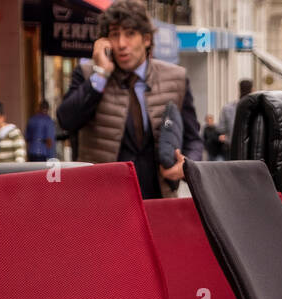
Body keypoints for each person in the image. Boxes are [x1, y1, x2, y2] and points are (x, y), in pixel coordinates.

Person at [56, 0, 203, 199]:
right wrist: (100, 74)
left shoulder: (176, 78)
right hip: (103, 199)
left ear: (147, 39)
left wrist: (187, 165)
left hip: (158, 199)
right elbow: (66, 120)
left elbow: (193, 139)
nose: (121, 44)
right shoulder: (88, 73)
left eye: (130, 34)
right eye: (115, 35)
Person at [219, 78, 252, 152]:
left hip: (233, 148)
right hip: (250, 150)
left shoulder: (228, 108)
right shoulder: (258, 108)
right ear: (252, 90)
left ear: (239, 89)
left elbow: (221, 129)